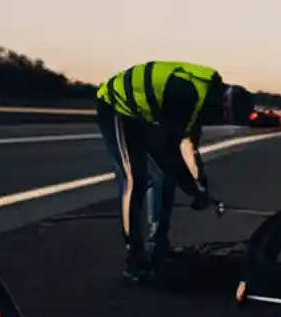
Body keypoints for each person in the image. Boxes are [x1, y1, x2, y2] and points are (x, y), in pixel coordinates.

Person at [95, 61, 254, 282]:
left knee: (164, 177)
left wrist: (201, 186)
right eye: (225, 118)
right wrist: (194, 192)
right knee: (135, 179)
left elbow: (190, 148)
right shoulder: (185, 95)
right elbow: (170, 153)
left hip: (145, 113)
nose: (220, 122)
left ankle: (157, 246)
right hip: (117, 105)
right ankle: (135, 258)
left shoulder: (203, 101)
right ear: (223, 106)